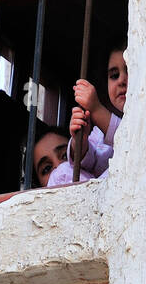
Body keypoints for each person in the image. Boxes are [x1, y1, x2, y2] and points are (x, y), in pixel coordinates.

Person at [47, 43, 128, 187]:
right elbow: (93, 162)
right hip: (101, 195)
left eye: (130, 71)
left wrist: (96, 109)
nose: (121, 80)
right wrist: (81, 140)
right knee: (62, 172)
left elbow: (129, 137)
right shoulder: (98, 133)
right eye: (114, 75)